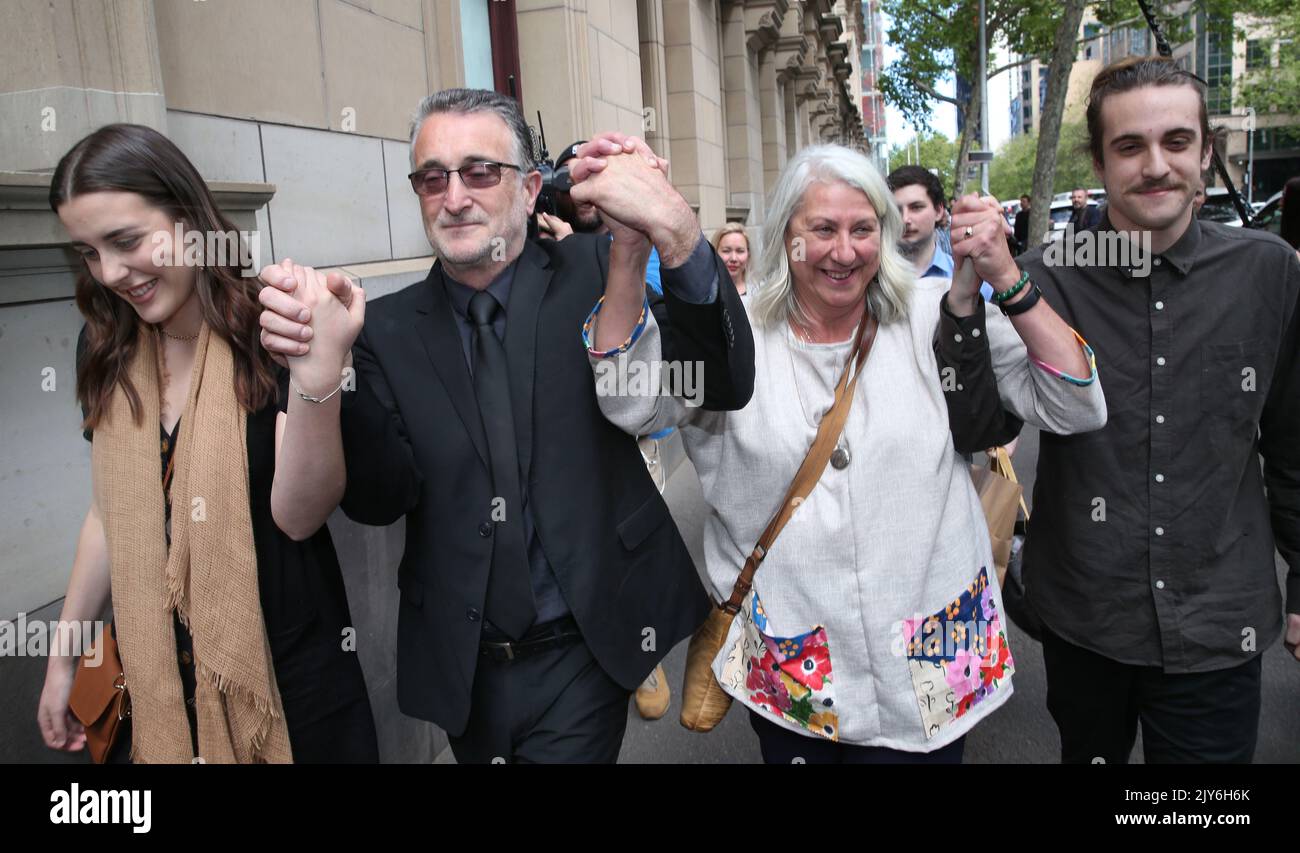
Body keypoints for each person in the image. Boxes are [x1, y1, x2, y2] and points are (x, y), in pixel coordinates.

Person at [256, 88, 754, 763]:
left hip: (586, 645)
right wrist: (326, 368)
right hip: (465, 665)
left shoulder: (598, 272)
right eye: (433, 177)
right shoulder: (386, 329)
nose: (454, 195)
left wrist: (679, 233)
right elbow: (379, 498)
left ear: (527, 191)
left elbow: (721, 382)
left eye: (479, 172)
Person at [590, 143, 1106, 762]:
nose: (844, 251)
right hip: (796, 664)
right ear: (785, 237)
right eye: (823, 229)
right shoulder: (733, 337)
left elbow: (1076, 405)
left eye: (864, 229)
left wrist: (1007, 278)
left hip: (932, 659)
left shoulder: (932, 315)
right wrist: (628, 249)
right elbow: (631, 403)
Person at [36, 124, 378, 764]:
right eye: (87, 252)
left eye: (126, 241)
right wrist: (62, 661)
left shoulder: (274, 328)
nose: (110, 273)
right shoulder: (107, 346)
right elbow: (110, 514)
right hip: (157, 696)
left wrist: (317, 375)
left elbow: (300, 515)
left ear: (190, 221)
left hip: (284, 696)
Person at [1013, 56, 1300, 764]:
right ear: (1102, 161)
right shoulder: (1047, 280)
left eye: (1176, 142)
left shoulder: (1270, 270)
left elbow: (1294, 440)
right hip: (1085, 616)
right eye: (1130, 146)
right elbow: (983, 429)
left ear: (1207, 152)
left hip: (1219, 619)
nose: (1156, 165)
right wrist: (976, 294)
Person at [540, 138, 674, 722]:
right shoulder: (535, 239)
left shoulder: (635, 239)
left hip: (631, 430)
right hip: (566, 429)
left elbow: (661, 319)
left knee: (631, 539)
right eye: (583, 177)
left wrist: (605, 266)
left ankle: (642, 654)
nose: (595, 189)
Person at [711, 222, 751, 296]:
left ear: (748, 254)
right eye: (726, 251)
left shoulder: (761, 292)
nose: (733, 258)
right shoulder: (705, 296)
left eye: (740, 251)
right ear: (715, 253)